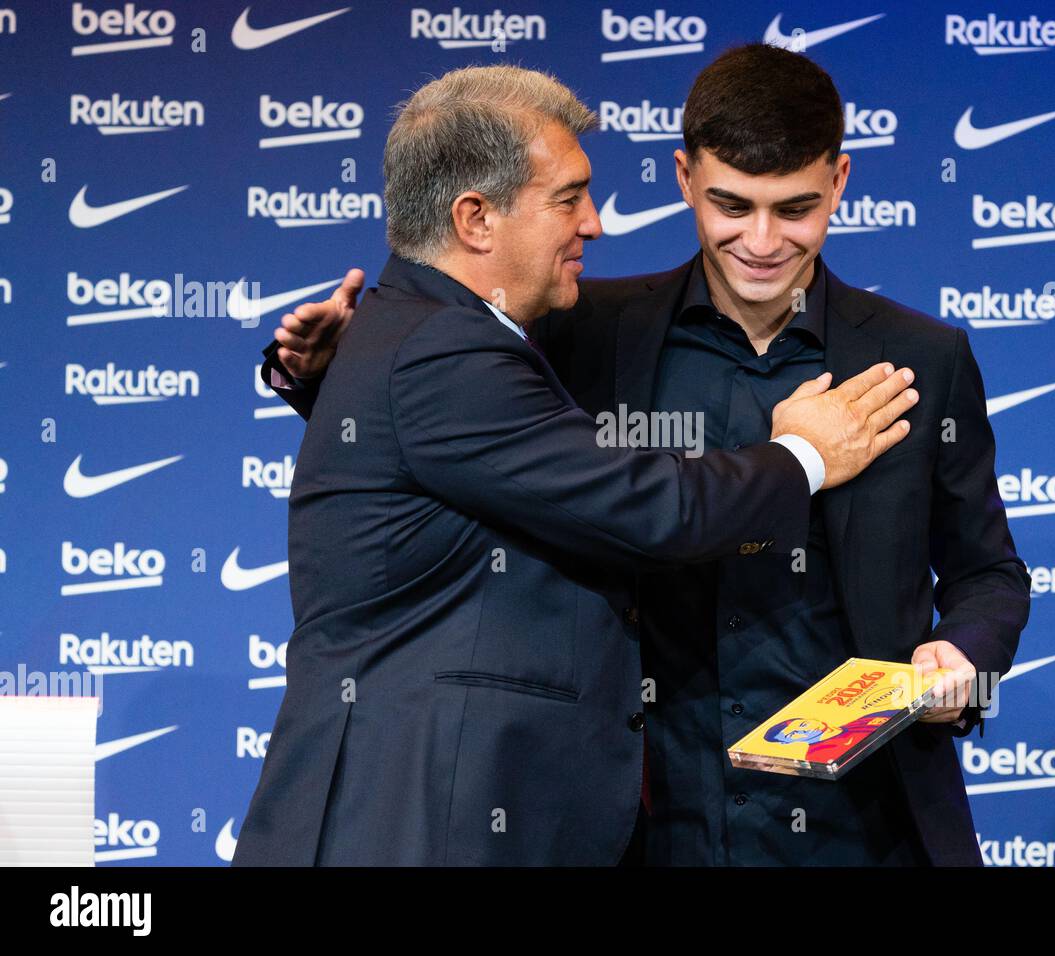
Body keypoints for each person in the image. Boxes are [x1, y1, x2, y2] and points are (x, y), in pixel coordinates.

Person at [234, 64, 921, 867]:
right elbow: (651, 507)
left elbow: (439, 466)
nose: (593, 223)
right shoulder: (444, 349)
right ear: (476, 218)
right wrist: (804, 453)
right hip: (418, 818)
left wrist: (315, 378)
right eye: (569, 198)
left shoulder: (421, 334)